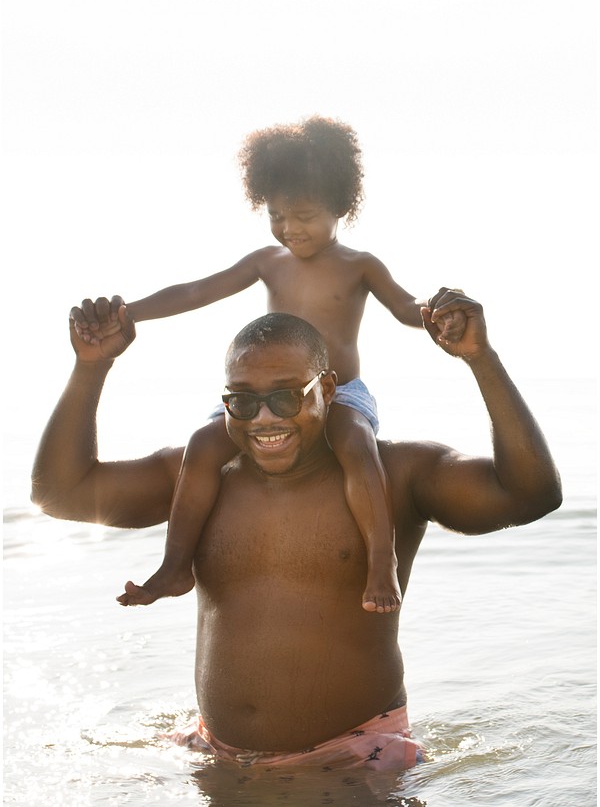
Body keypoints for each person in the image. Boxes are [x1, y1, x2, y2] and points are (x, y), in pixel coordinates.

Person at [32, 289, 562, 773]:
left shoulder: (396, 474)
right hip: (218, 760)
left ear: (326, 389)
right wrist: (91, 368)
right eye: (242, 401)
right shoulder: (198, 477)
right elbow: (59, 494)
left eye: (286, 397)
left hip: (355, 760)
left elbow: (530, 495)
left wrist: (480, 359)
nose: (264, 419)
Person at [71, 116, 464, 615]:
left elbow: (407, 308)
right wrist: (129, 313)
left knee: (357, 446)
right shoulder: (267, 261)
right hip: (265, 395)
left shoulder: (360, 265)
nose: (288, 228)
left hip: (341, 392)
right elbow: (196, 291)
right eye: (276, 215)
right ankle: (175, 565)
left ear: (341, 206)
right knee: (202, 443)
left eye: (304, 215)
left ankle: (381, 562)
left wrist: (436, 311)